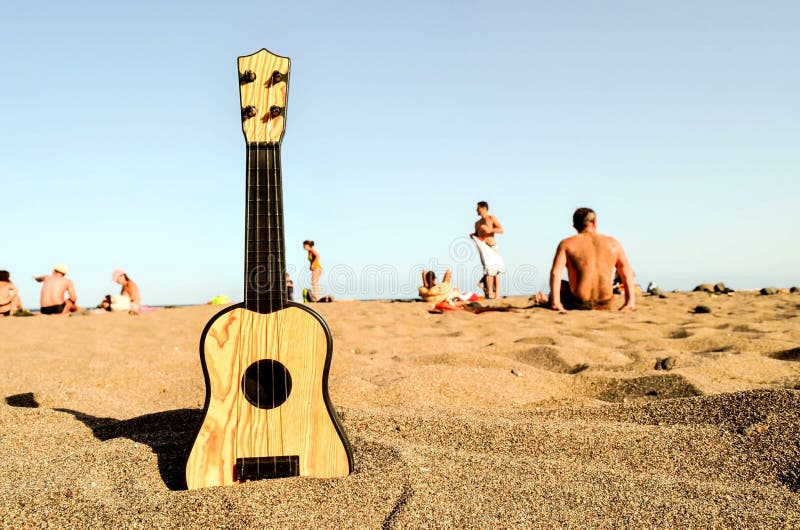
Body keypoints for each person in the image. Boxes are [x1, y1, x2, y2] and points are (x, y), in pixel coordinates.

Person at [547, 207, 636, 311]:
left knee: (561, 286)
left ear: (575, 226)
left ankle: (547, 301)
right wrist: (630, 302)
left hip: (579, 302)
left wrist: (556, 302)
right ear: (594, 222)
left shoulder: (567, 244)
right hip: (605, 302)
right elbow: (627, 272)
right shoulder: (613, 243)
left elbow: (555, 273)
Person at [472, 201, 505, 299]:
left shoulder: (491, 218)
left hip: (492, 246)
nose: (476, 210)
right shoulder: (477, 223)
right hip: (484, 249)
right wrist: (473, 235)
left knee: (496, 270)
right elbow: (477, 235)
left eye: (478, 208)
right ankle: (490, 292)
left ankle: (497, 293)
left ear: (483, 208)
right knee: (488, 270)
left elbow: (501, 230)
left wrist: (490, 230)